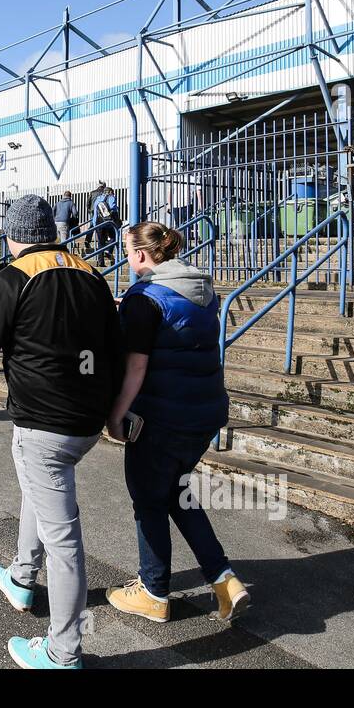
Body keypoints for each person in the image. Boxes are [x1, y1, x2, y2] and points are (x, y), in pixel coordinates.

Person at [0, 194, 122, 669]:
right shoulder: (92, 275)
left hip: (42, 423)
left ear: (12, 235)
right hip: (86, 422)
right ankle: (22, 577)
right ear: (54, 231)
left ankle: (64, 652)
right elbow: (114, 347)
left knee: (64, 540)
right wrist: (113, 409)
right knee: (38, 492)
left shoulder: (10, 279)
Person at [104, 221, 249, 626]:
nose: (127, 259)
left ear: (140, 256)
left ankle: (153, 592)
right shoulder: (202, 291)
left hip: (160, 418)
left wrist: (115, 415)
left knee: (148, 501)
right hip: (204, 415)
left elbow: (136, 367)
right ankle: (224, 581)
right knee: (176, 494)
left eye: (129, 252)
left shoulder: (145, 297)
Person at [92, 182, 120, 265]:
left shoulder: (98, 199)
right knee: (114, 237)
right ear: (111, 192)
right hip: (109, 222)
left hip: (99, 222)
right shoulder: (111, 197)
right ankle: (108, 251)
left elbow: (95, 213)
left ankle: (101, 262)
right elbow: (112, 207)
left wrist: (94, 224)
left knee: (101, 242)